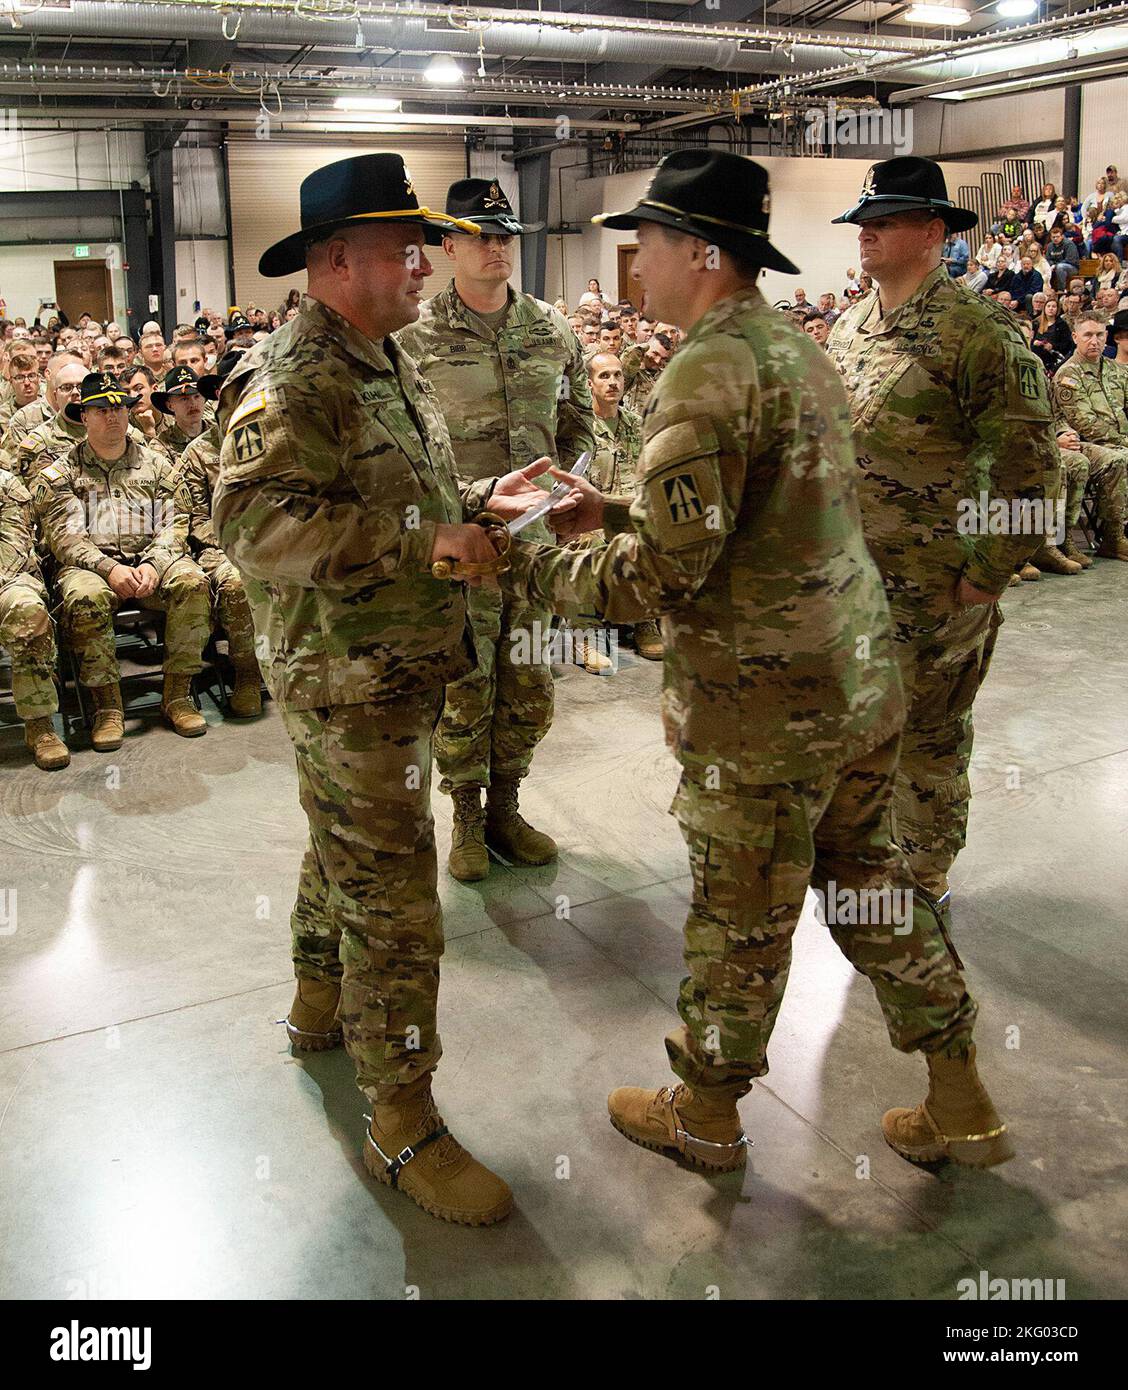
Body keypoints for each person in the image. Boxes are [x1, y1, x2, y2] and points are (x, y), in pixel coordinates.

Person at [500, 149, 1010, 1174]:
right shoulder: (796, 348)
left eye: (646, 243)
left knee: (740, 915)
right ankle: (962, 1094)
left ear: (700, 252)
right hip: (859, 689)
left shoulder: (701, 373)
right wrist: (617, 509)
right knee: (873, 888)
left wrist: (542, 559)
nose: (637, 265)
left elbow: (656, 582)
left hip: (763, 713)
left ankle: (707, 1113)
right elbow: (759, 509)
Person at [212, 153, 579, 1227]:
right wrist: (430, 540)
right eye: (401, 247)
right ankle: (400, 1116)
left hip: (399, 668)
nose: (424, 263)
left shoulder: (379, 357)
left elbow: (403, 492)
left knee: (348, 848)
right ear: (336, 261)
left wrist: (479, 498)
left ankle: (316, 998)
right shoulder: (296, 377)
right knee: (397, 904)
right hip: (346, 682)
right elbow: (252, 526)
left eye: (425, 245)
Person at [828, 157, 1058, 950]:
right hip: (857, 586)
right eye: (863, 220)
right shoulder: (850, 326)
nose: (867, 233)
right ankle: (872, 868)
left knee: (927, 743)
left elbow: (1028, 468)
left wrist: (985, 575)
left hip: (937, 590)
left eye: (883, 220)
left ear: (932, 233)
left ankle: (923, 880)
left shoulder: (980, 335)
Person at [398, 177, 595, 885]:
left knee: (530, 680)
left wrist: (572, 490)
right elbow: (405, 450)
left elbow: (580, 420)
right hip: (464, 543)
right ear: (448, 244)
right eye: (480, 235)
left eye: (505, 235)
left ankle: (509, 802)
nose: (496, 248)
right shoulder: (414, 336)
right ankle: (467, 815)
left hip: (536, 547)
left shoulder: (551, 328)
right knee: (465, 682)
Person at [32, 372, 213, 744]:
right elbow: (65, 537)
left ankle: (177, 695)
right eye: (101, 409)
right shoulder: (63, 471)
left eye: (119, 407)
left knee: (192, 582)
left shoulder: (157, 465)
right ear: (84, 416)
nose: (112, 416)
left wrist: (155, 563)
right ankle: (107, 707)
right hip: (91, 567)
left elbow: (176, 523)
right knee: (84, 596)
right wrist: (109, 568)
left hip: (149, 563)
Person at [0, 467, 70, 769]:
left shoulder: (5, 483)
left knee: (28, 609)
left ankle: (39, 724)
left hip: (7, 578)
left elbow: (14, 546)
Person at [1051, 314, 1128, 560]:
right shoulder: (1068, 375)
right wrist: (1124, 441)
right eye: (1088, 335)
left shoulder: (1115, 370)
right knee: (1118, 459)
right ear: (1075, 337)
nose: (1094, 341)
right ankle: (1113, 537)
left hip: (1118, 441)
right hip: (1084, 443)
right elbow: (1083, 422)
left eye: (1099, 335)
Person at [152, 365, 207, 462]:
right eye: (184, 399)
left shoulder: (220, 433)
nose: (193, 404)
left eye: (197, 396)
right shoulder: (161, 444)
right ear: (170, 406)